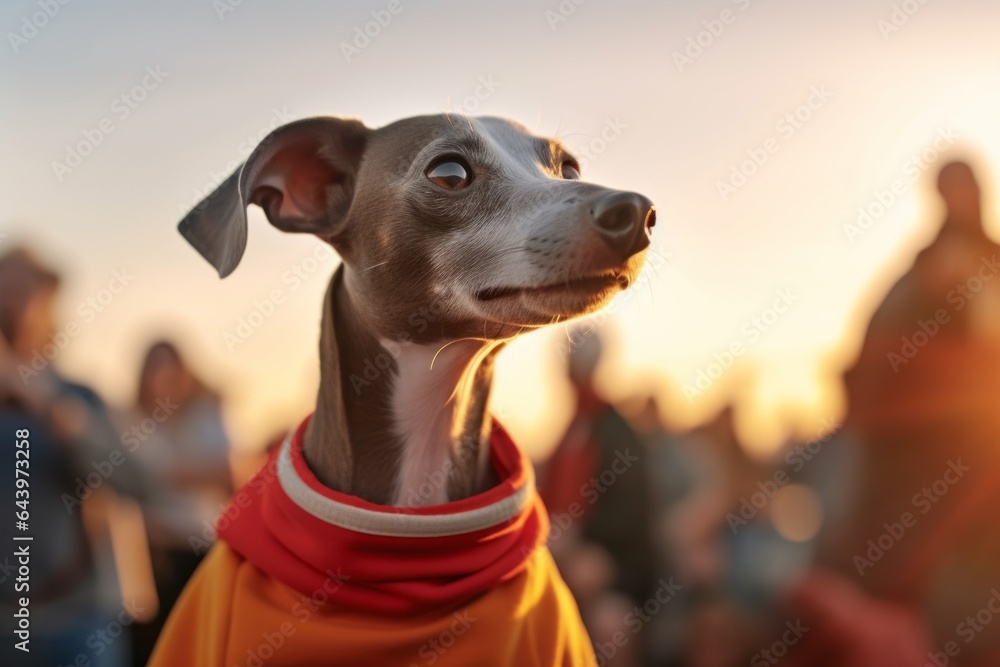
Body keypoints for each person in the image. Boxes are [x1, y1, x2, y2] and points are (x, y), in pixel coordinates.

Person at [783, 161, 1000, 666]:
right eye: (950, 189)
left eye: (966, 188)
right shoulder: (921, 272)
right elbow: (876, 353)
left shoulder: (986, 262)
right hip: (925, 456)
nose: (961, 200)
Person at [0, 247, 142, 667]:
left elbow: (136, 482)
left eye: (23, 289)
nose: (10, 301)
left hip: (80, 620)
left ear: (47, 304)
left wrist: (54, 412)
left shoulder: (77, 397)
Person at [126, 341, 232, 665]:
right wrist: (198, 470)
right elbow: (138, 478)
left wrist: (169, 474)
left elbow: (229, 472)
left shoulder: (207, 415)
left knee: (201, 646)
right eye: (155, 367)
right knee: (153, 647)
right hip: (152, 556)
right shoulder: (132, 422)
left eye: (170, 367)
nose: (163, 376)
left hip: (203, 551)